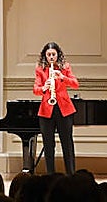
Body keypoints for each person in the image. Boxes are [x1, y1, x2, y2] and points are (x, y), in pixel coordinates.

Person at [33, 41, 80, 175]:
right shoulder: (40, 69)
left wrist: (63, 77)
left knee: (67, 144)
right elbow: (35, 89)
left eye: (53, 54)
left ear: (58, 55)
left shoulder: (65, 67)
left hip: (64, 109)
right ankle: (50, 175)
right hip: (46, 111)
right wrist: (44, 87)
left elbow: (76, 84)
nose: (51, 57)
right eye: (49, 55)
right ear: (45, 56)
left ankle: (71, 174)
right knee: (48, 145)